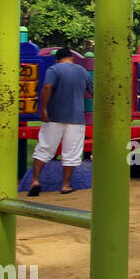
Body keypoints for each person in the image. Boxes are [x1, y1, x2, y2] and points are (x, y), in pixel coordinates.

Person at [28, 47, 94, 197]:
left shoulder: (54, 69)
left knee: (44, 148)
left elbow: (47, 86)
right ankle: (65, 185)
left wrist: (43, 109)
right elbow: (93, 91)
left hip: (54, 116)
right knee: (71, 152)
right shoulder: (82, 71)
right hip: (76, 118)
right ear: (71, 57)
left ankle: (35, 181)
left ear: (57, 59)